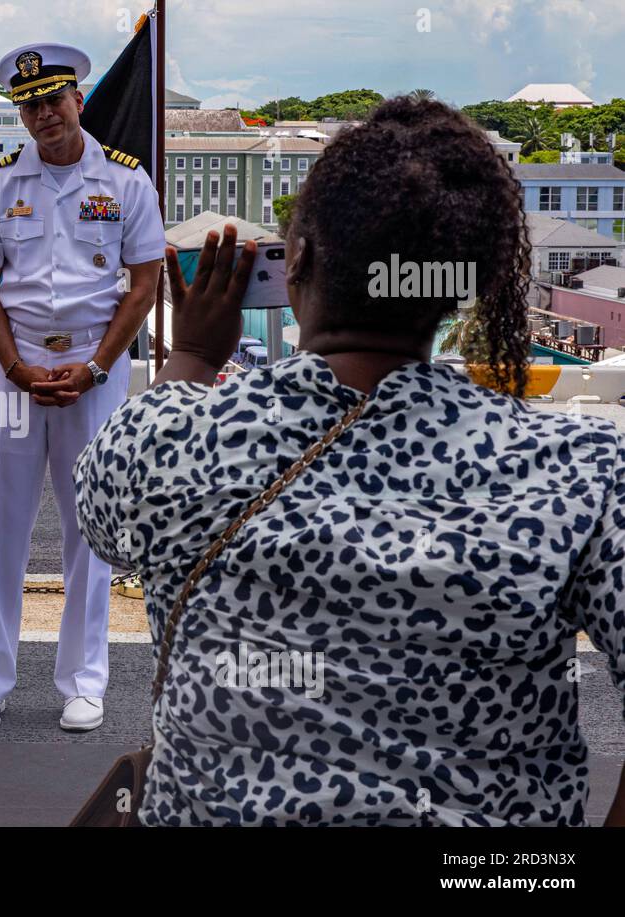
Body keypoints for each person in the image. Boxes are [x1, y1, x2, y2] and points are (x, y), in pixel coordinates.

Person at [74, 97, 625, 826]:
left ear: (293, 259)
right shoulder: (579, 468)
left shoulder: (174, 440)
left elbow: (103, 514)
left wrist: (193, 356)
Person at [0, 43, 166, 732]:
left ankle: (83, 679)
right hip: (14, 369)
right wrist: (17, 368)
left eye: (54, 99)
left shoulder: (128, 182)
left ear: (79, 100)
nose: (44, 114)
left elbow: (143, 285)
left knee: (91, 529)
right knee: (2, 526)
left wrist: (97, 367)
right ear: (21, 114)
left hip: (95, 368)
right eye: (30, 105)